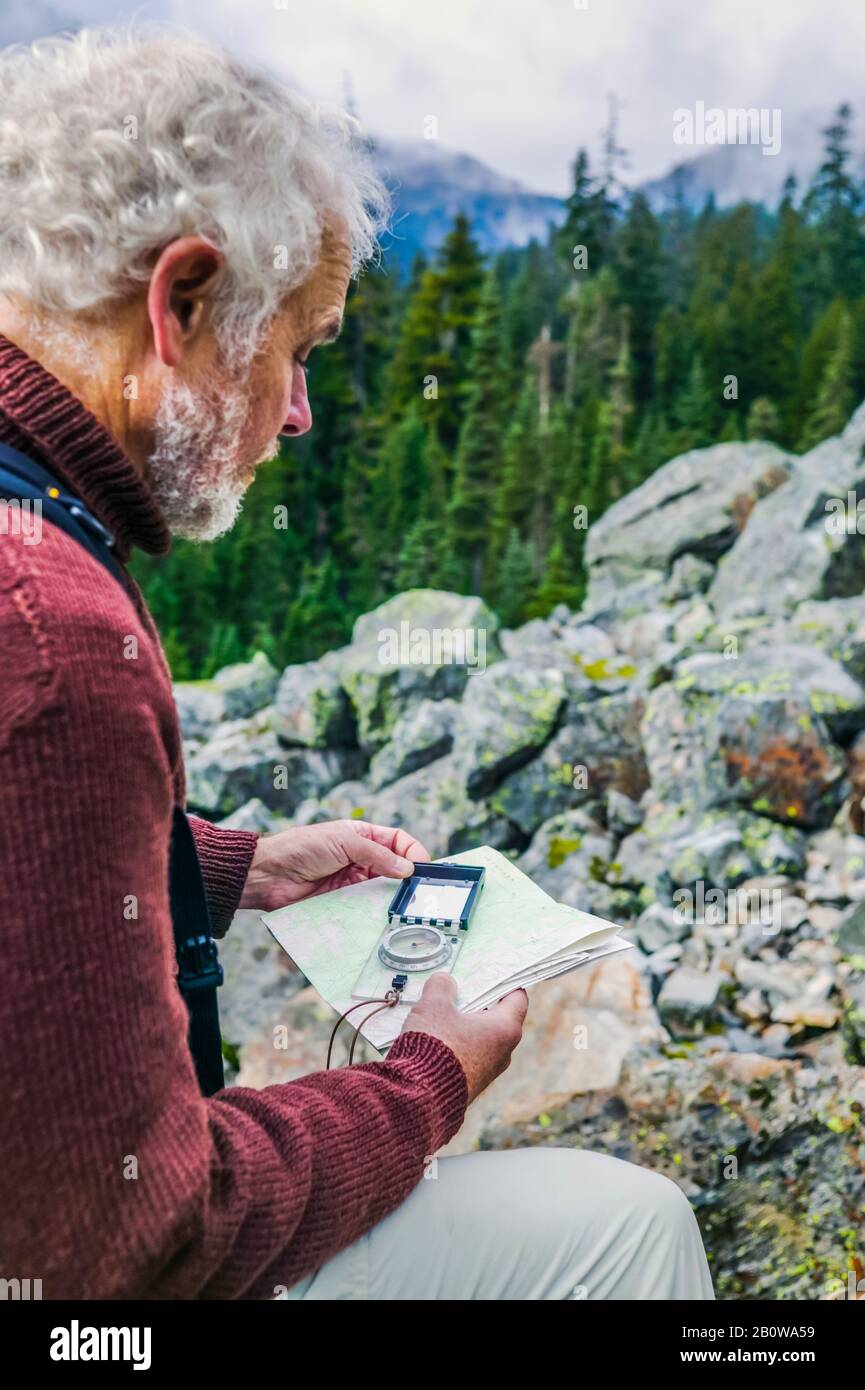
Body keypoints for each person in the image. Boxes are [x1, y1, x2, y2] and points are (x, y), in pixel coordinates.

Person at [0, 25, 713, 1301]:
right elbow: (132, 1250)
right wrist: (423, 1077)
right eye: (303, 346)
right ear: (182, 300)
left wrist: (220, 867)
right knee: (628, 1228)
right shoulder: (52, 631)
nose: (298, 411)